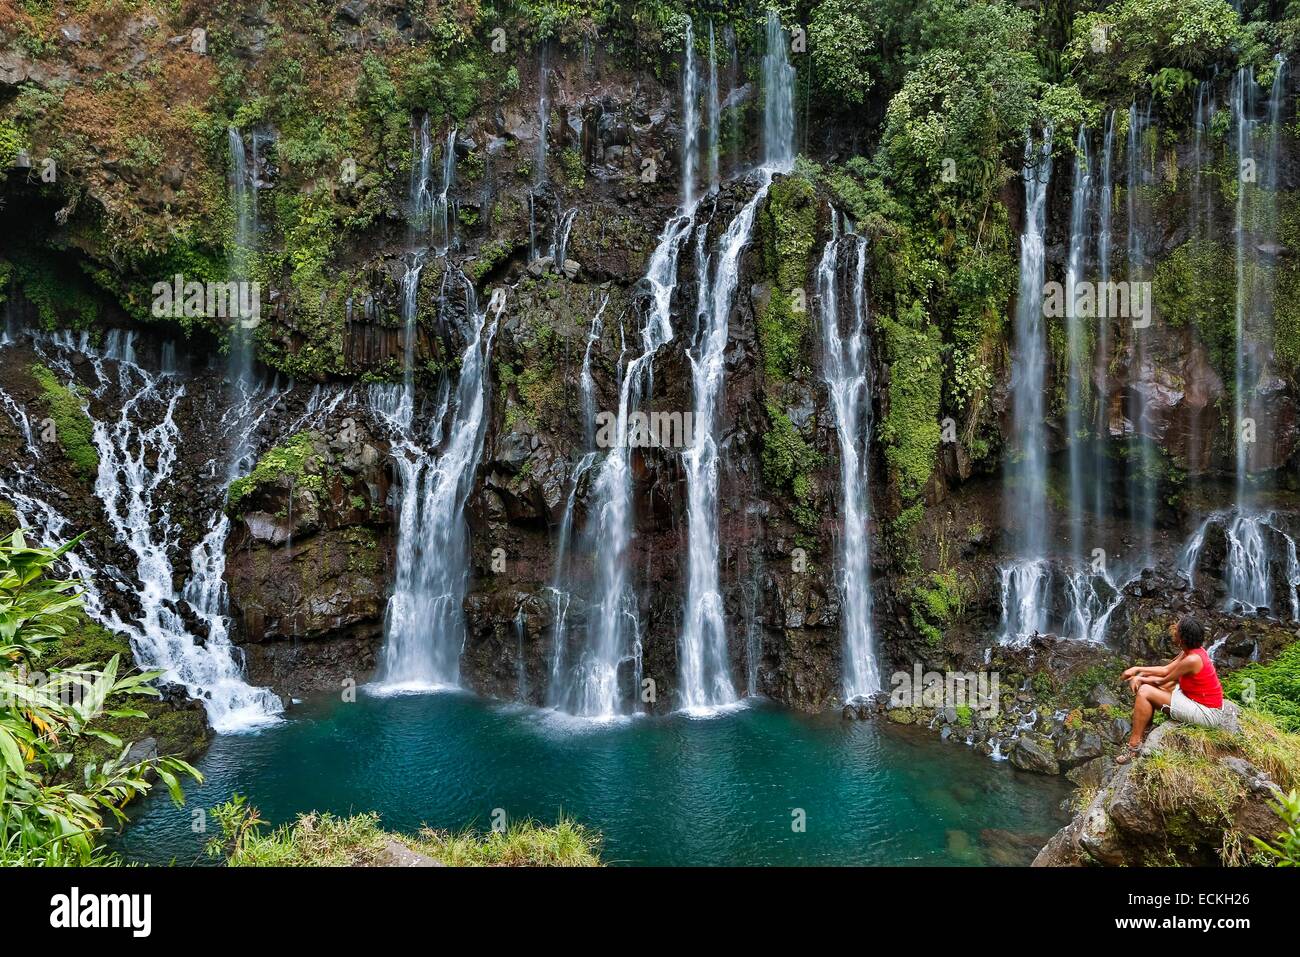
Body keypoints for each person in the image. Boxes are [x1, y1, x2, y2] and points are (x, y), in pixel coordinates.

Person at [1115, 616, 1228, 764]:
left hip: (1207, 713)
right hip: (1196, 700)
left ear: (1182, 637)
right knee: (1153, 688)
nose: (1173, 630)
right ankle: (1145, 733)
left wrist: (1140, 678)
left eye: (1177, 629)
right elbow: (1165, 669)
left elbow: (1163, 679)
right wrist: (1137, 669)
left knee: (1145, 691)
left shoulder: (1192, 660)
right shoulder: (1191, 651)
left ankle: (1133, 747)